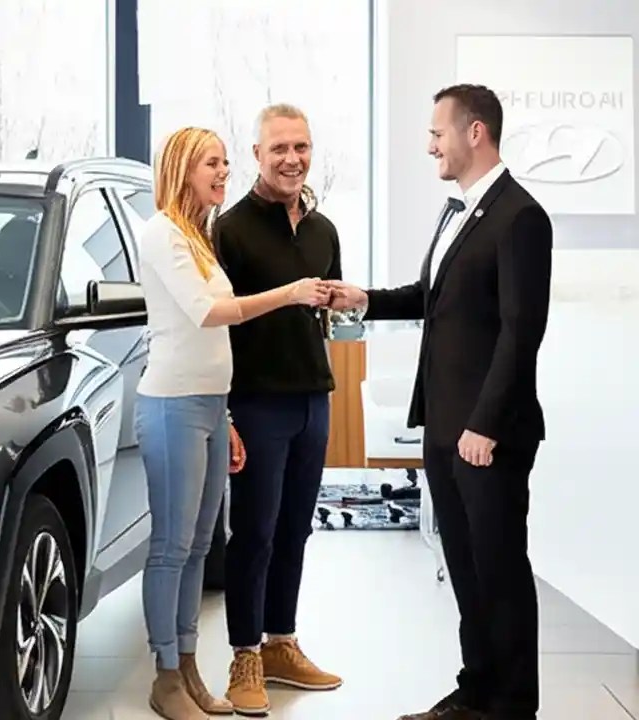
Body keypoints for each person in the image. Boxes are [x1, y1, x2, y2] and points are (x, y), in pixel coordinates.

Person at [327, 84, 553, 720]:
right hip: (446, 429)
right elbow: (431, 299)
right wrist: (364, 298)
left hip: (488, 434)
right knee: (466, 569)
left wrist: (484, 424)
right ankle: (476, 689)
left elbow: (521, 330)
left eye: (438, 132)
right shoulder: (457, 212)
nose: (431, 143)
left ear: (474, 133)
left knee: (500, 571)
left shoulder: (521, 216)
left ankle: (511, 705)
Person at [133, 126, 331, 719]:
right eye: (211, 164)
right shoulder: (162, 232)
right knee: (171, 548)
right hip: (171, 404)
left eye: (223, 163)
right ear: (181, 169)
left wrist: (224, 413)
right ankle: (165, 674)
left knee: (198, 547)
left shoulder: (195, 236)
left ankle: (190, 666)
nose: (222, 173)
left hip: (210, 406)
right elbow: (209, 313)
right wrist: (289, 292)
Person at [211, 103, 344, 717]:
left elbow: (327, 316)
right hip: (256, 402)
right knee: (255, 533)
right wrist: (228, 413)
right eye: (280, 149)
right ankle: (245, 655)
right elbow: (218, 326)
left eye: (303, 147)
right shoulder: (229, 229)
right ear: (258, 155)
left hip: (312, 399)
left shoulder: (323, 231)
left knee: (296, 526)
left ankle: (282, 642)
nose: (293, 159)